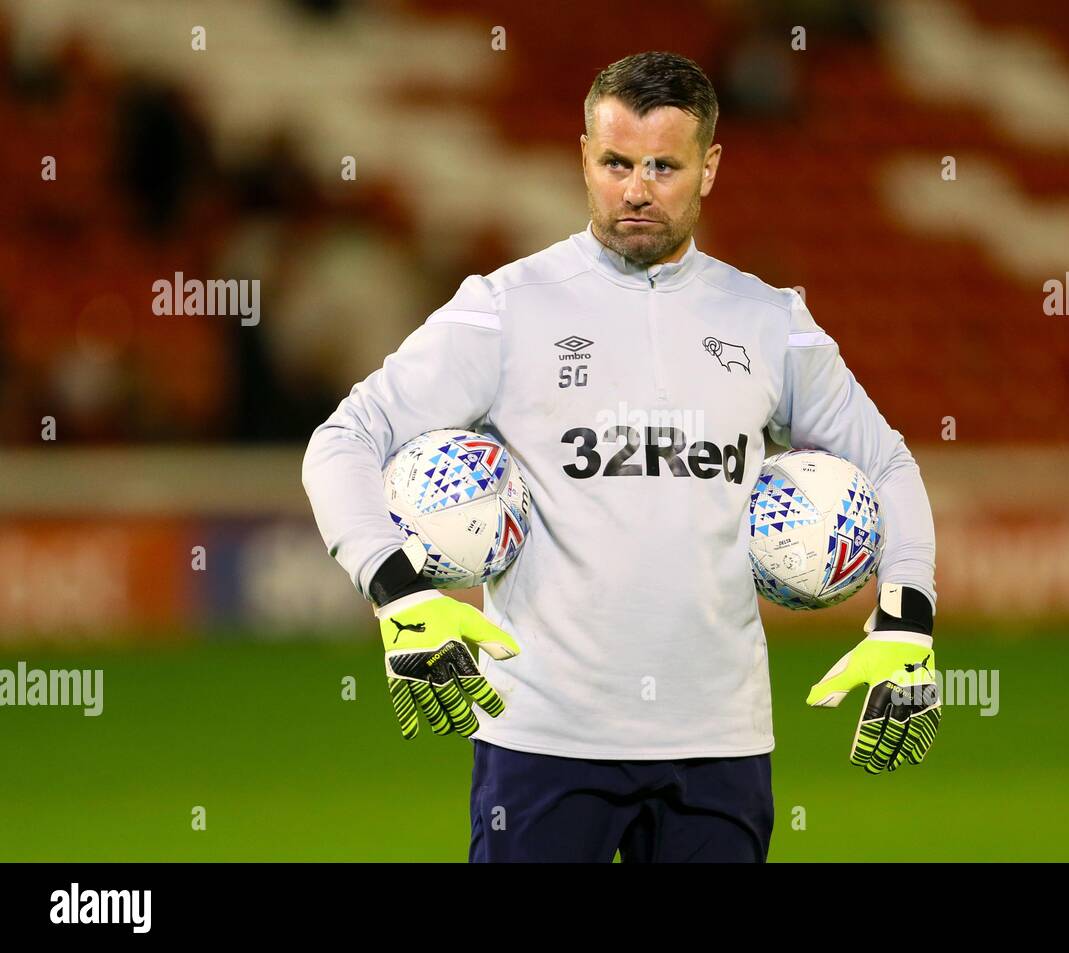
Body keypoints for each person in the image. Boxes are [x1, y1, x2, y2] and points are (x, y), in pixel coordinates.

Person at [302, 51, 940, 863]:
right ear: (583, 158)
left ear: (709, 168)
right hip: (541, 741)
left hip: (719, 742)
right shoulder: (503, 310)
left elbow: (888, 466)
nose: (635, 189)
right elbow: (342, 441)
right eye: (614, 163)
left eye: (663, 166)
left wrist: (907, 618)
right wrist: (396, 593)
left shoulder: (769, 321)